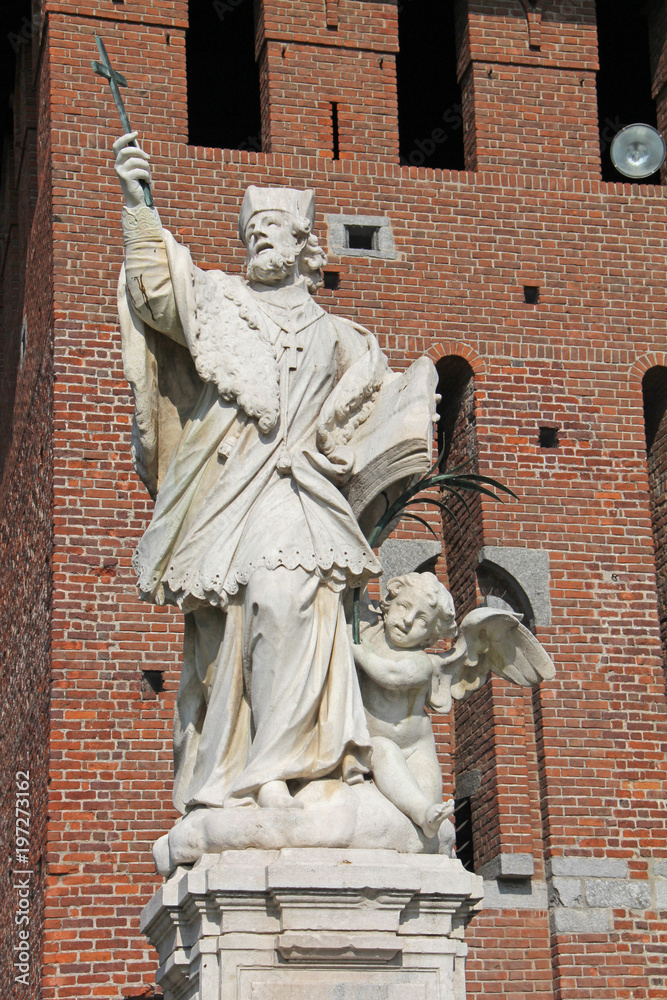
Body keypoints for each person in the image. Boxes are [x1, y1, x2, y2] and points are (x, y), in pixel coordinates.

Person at [113, 132, 392, 813]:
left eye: (275, 232)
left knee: (292, 600)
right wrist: (138, 206)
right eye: (253, 233)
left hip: (305, 491)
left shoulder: (343, 336)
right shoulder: (221, 305)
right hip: (232, 487)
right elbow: (156, 294)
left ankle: (285, 766)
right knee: (235, 623)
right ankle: (250, 763)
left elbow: (372, 417)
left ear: (304, 245)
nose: (260, 242)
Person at [351, 573, 458, 838]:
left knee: (428, 796)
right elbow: (354, 592)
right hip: (379, 743)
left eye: (422, 621)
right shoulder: (366, 631)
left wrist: (359, 652)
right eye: (403, 606)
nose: (408, 621)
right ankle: (423, 814)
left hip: (418, 748)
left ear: (430, 635)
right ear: (389, 604)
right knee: (385, 752)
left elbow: (390, 675)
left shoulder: (421, 662)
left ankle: (427, 817)